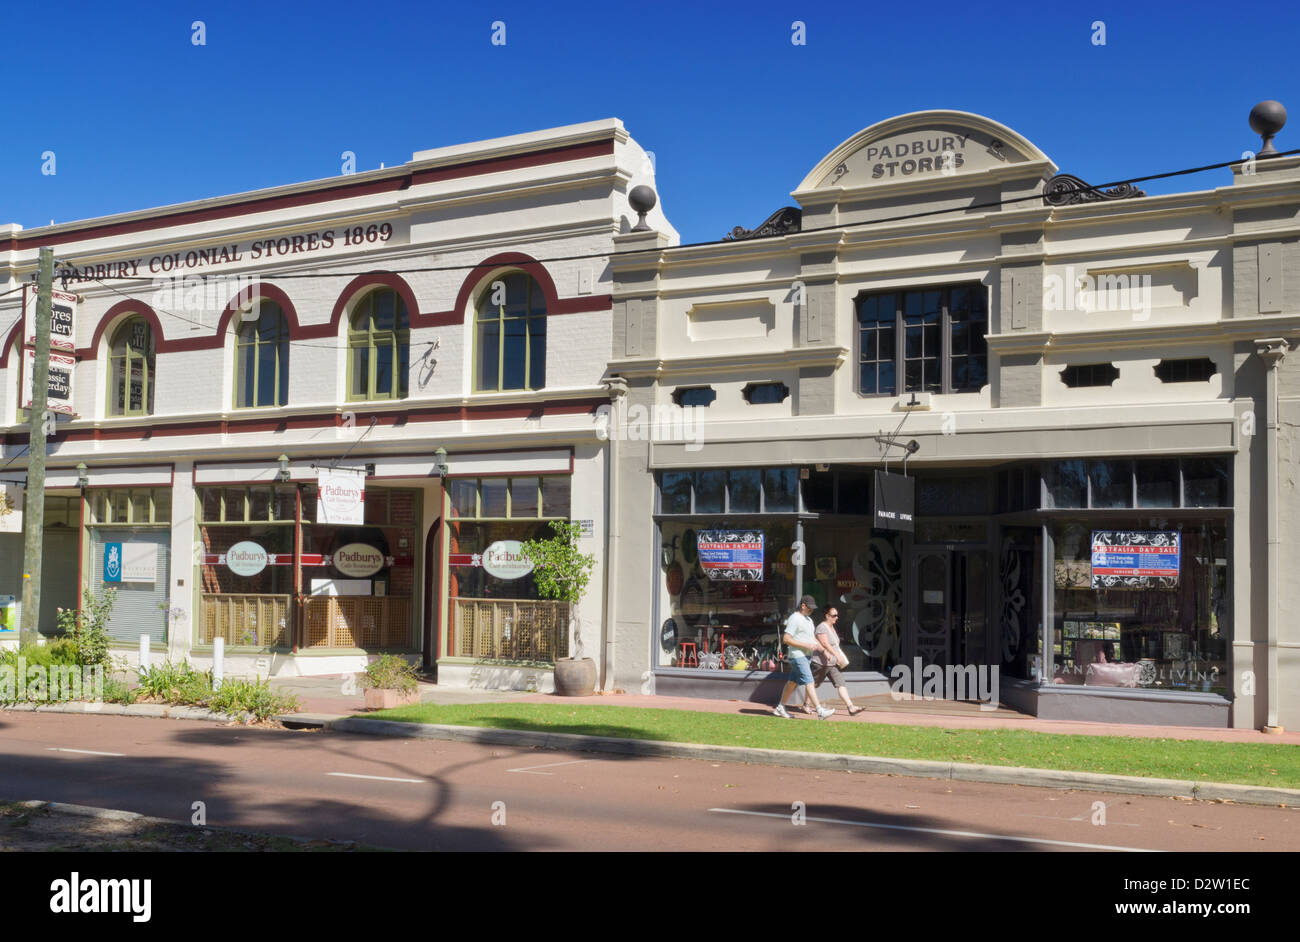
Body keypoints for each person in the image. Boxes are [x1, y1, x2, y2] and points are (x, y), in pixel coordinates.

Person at [773, 595, 835, 719]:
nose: (811, 610)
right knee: (810, 681)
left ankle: (780, 707)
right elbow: (786, 639)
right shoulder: (794, 618)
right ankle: (820, 711)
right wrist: (805, 645)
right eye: (809, 607)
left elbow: (813, 639)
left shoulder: (809, 620)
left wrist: (824, 651)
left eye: (813, 608)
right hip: (797, 656)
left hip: (806, 656)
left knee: (792, 683)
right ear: (803, 606)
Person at [809, 606, 864, 716]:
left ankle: (851, 707)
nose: (837, 617)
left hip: (832, 664)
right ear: (827, 616)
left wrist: (836, 657)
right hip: (820, 663)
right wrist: (837, 655)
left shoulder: (832, 628)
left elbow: (834, 644)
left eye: (837, 615)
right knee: (812, 685)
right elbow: (825, 644)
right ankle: (806, 704)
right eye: (834, 615)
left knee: (840, 683)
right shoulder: (821, 627)